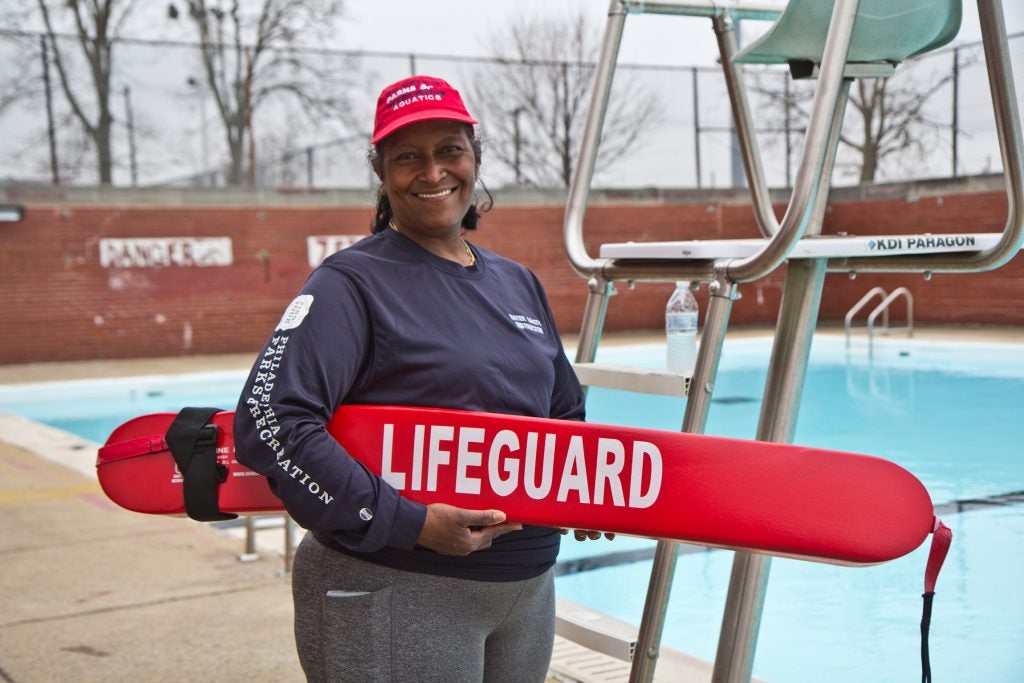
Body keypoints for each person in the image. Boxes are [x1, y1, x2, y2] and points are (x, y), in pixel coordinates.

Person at [234, 75, 596, 682]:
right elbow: (270, 420)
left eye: (450, 150)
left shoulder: (516, 282)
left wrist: (579, 487)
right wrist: (414, 524)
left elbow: (561, 413)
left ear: (475, 158)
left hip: (525, 591)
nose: (433, 172)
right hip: (400, 582)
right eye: (408, 157)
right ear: (381, 171)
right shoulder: (351, 283)